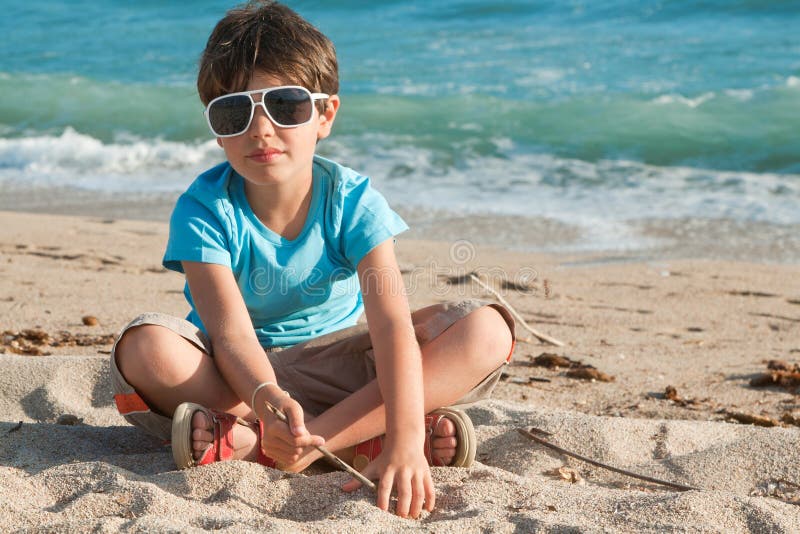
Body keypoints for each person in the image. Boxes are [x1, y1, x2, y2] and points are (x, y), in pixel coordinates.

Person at [110, 0, 515, 519]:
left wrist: (410, 437)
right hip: (236, 381)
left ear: (325, 115)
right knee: (145, 345)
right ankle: (351, 445)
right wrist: (268, 400)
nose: (260, 129)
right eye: (235, 111)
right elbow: (231, 333)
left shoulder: (352, 201)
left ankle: (286, 446)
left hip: (339, 367)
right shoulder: (203, 209)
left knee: (486, 331)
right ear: (217, 128)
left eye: (286, 106)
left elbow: (390, 324)